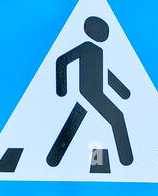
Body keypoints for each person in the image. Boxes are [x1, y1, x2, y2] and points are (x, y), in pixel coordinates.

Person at [47, 16, 133, 168]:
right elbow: (62, 61)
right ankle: (126, 160)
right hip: (90, 93)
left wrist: (123, 92)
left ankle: (53, 159)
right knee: (117, 118)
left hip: (93, 93)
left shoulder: (98, 51)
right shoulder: (86, 47)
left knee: (73, 122)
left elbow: (105, 74)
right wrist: (62, 89)